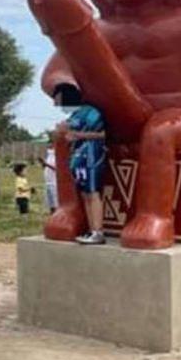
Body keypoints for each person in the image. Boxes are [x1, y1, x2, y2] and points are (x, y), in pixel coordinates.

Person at [56, 85, 108, 245]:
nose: (57, 104)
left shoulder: (91, 112)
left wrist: (79, 134)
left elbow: (103, 134)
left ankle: (98, 232)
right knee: (85, 194)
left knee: (93, 193)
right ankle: (91, 230)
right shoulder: (74, 114)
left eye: (58, 100)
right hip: (79, 157)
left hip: (92, 154)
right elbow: (67, 133)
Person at [38, 146, 58, 214]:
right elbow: (46, 168)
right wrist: (43, 164)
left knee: (56, 203)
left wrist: (46, 164)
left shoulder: (56, 157)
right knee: (50, 204)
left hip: (54, 183)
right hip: (47, 182)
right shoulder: (49, 157)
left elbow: (57, 169)